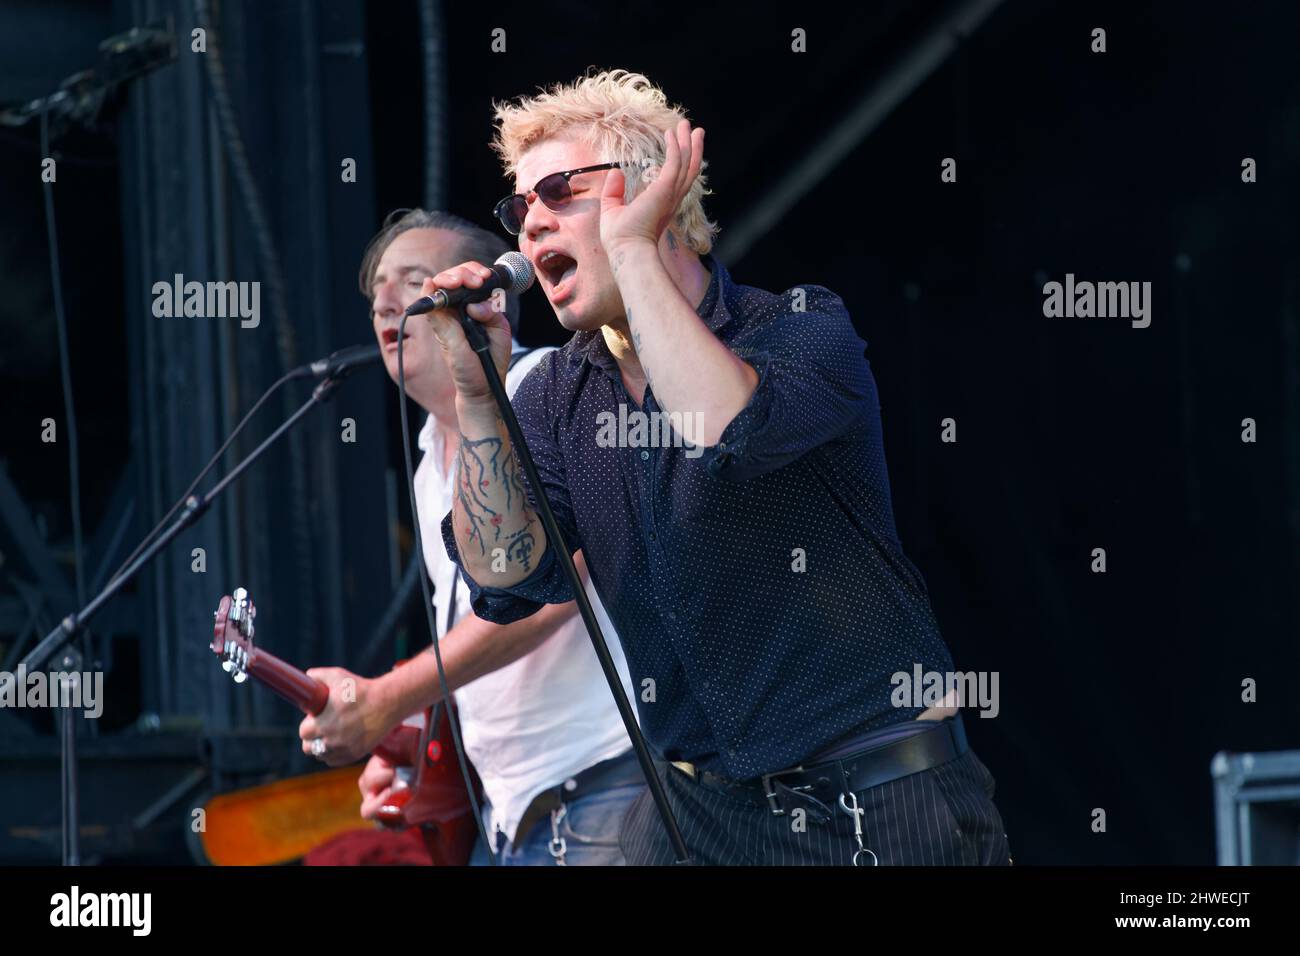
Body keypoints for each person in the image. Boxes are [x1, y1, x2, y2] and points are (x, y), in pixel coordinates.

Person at [423, 70, 1012, 865]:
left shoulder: (798, 326)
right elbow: (505, 579)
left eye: (560, 191)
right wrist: (479, 400)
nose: (530, 226)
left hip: (877, 802)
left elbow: (718, 427)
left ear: (655, 196)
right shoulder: (558, 397)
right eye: (520, 207)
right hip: (698, 816)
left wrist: (631, 250)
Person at [298, 209, 646, 865]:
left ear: (481, 294)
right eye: (377, 294)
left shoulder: (546, 387)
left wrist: (388, 698)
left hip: (605, 778)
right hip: (512, 810)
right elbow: (471, 633)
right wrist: (405, 745)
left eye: (411, 281)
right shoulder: (431, 459)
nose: (387, 304)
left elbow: (555, 591)